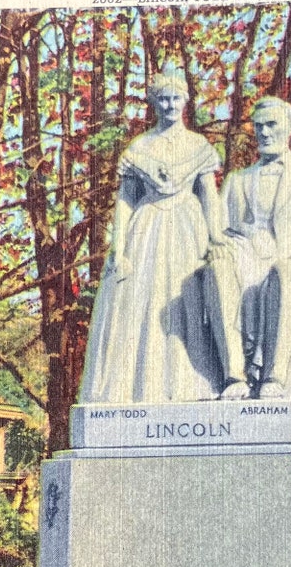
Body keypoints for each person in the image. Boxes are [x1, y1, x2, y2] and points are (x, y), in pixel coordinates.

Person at [79, 66, 224, 404]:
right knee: (143, 302)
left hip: (188, 228)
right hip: (147, 228)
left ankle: (194, 385)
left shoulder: (199, 146)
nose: (170, 105)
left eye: (175, 98)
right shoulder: (139, 147)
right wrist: (120, 246)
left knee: (187, 299)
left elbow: (209, 197)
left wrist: (216, 237)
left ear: (185, 101)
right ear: (154, 103)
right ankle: (142, 388)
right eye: (163, 99)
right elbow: (126, 199)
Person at [203, 96, 291, 399]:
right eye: (258, 127)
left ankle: (274, 377)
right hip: (245, 265)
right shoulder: (236, 181)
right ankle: (234, 375)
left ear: (290, 128)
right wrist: (217, 249)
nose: (264, 133)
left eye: (271, 125)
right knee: (217, 268)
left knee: (283, 270)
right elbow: (218, 236)